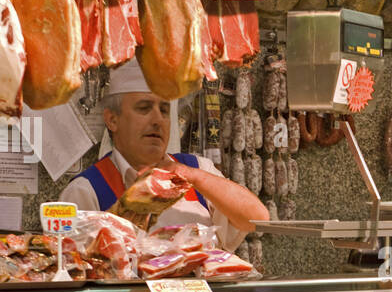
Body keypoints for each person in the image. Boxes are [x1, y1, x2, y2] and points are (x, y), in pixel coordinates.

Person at [61, 60, 268, 250]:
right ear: (112, 120)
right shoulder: (87, 190)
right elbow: (75, 267)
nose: (157, 120)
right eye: (144, 108)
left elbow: (258, 218)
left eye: (164, 110)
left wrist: (193, 176)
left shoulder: (198, 169)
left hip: (197, 291)